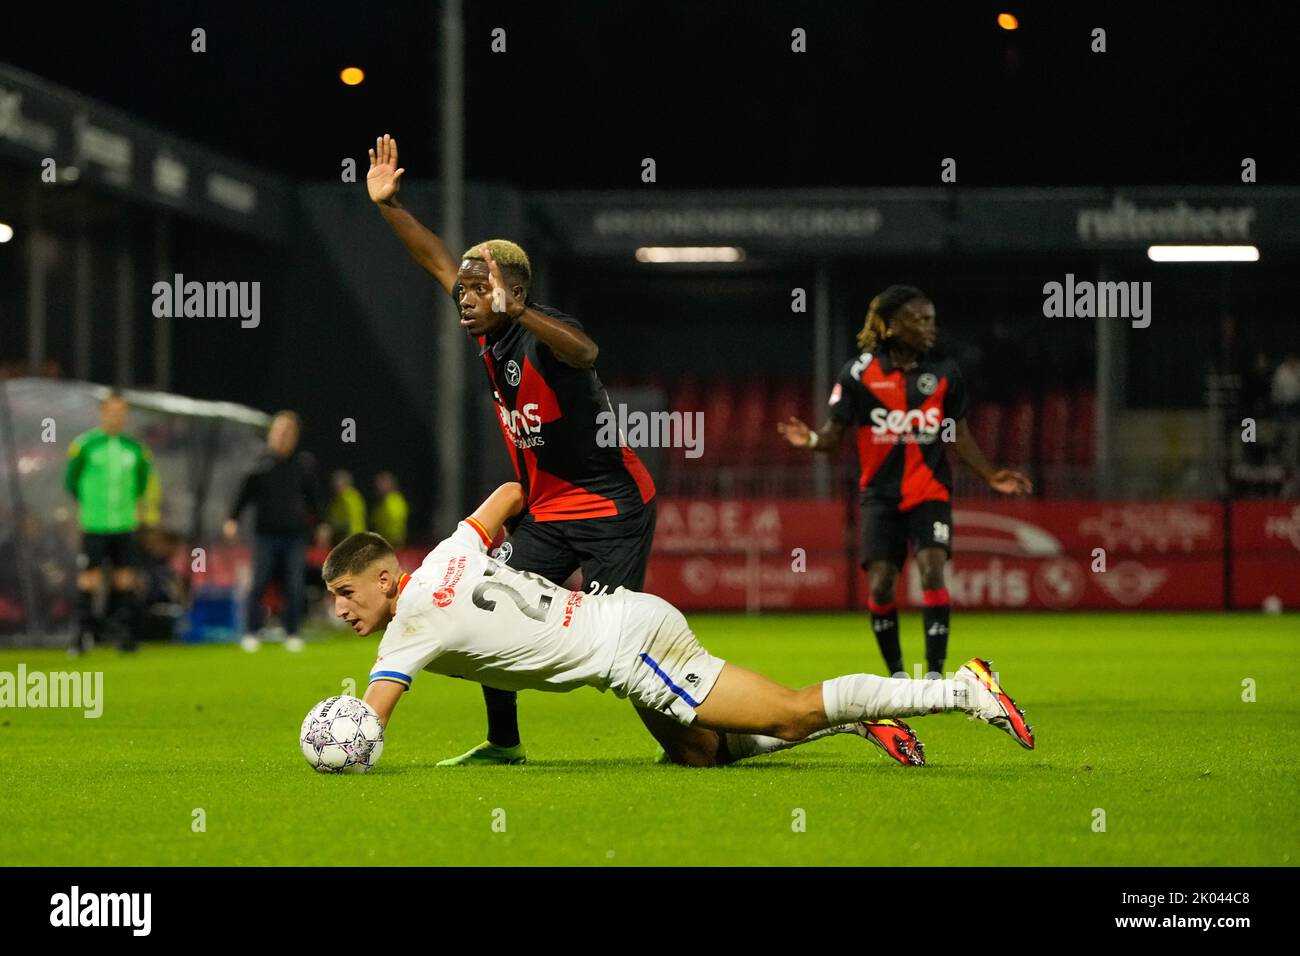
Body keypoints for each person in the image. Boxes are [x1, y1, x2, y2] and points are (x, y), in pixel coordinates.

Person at [324, 483, 1035, 768]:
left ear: (386, 579)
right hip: (622, 624)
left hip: (631, 651)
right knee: (698, 756)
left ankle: (962, 691)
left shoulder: (407, 629)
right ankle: (855, 719)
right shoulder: (451, 550)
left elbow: (368, 729)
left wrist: (330, 738)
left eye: (347, 593)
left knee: (788, 714)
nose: (341, 609)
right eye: (332, 600)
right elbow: (511, 491)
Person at [367, 133, 658, 766]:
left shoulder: (542, 340)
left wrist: (520, 312)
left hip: (612, 508)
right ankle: (505, 743)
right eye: (466, 292)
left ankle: (702, 735)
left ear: (514, 293)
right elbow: (437, 260)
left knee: (622, 647)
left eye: (478, 291)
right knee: (490, 610)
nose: (464, 299)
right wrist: (389, 205)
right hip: (548, 510)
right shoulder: (485, 329)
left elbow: (587, 352)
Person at [778, 286, 1032, 680]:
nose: (931, 327)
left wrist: (990, 474)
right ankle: (897, 675)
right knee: (881, 585)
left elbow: (958, 433)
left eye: (932, 318)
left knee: (932, 569)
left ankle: (933, 675)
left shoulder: (944, 371)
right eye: (921, 319)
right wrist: (809, 439)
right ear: (892, 325)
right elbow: (831, 437)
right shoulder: (859, 372)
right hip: (879, 497)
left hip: (929, 491)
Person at [224, 411, 324, 653]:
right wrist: (232, 519)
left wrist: (321, 524)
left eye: (288, 432)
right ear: (271, 433)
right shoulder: (259, 464)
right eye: (279, 430)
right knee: (259, 583)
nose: (283, 436)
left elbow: (313, 499)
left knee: (294, 585)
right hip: (265, 535)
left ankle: (292, 632)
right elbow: (243, 496)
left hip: (294, 536)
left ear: (295, 436)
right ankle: (251, 632)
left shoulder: (303, 465)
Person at [64, 391, 153, 654]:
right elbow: (71, 481)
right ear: (102, 412)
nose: (116, 417)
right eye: (111, 411)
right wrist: (87, 506)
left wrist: (133, 508)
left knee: (125, 577)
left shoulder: (135, 449)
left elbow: (141, 482)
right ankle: (82, 636)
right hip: (94, 523)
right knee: (89, 577)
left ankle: (124, 634)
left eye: (121, 412)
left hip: (124, 523)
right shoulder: (85, 445)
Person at [368, 471, 409, 548]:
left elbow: (396, 527)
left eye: (381, 483)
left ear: (389, 484)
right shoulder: (383, 502)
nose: (377, 487)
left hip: (392, 545)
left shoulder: (395, 501)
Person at [326, 470, 367, 543]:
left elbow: (353, 520)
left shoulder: (351, 498)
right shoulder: (338, 499)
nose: (334, 487)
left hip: (353, 538)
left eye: (337, 483)